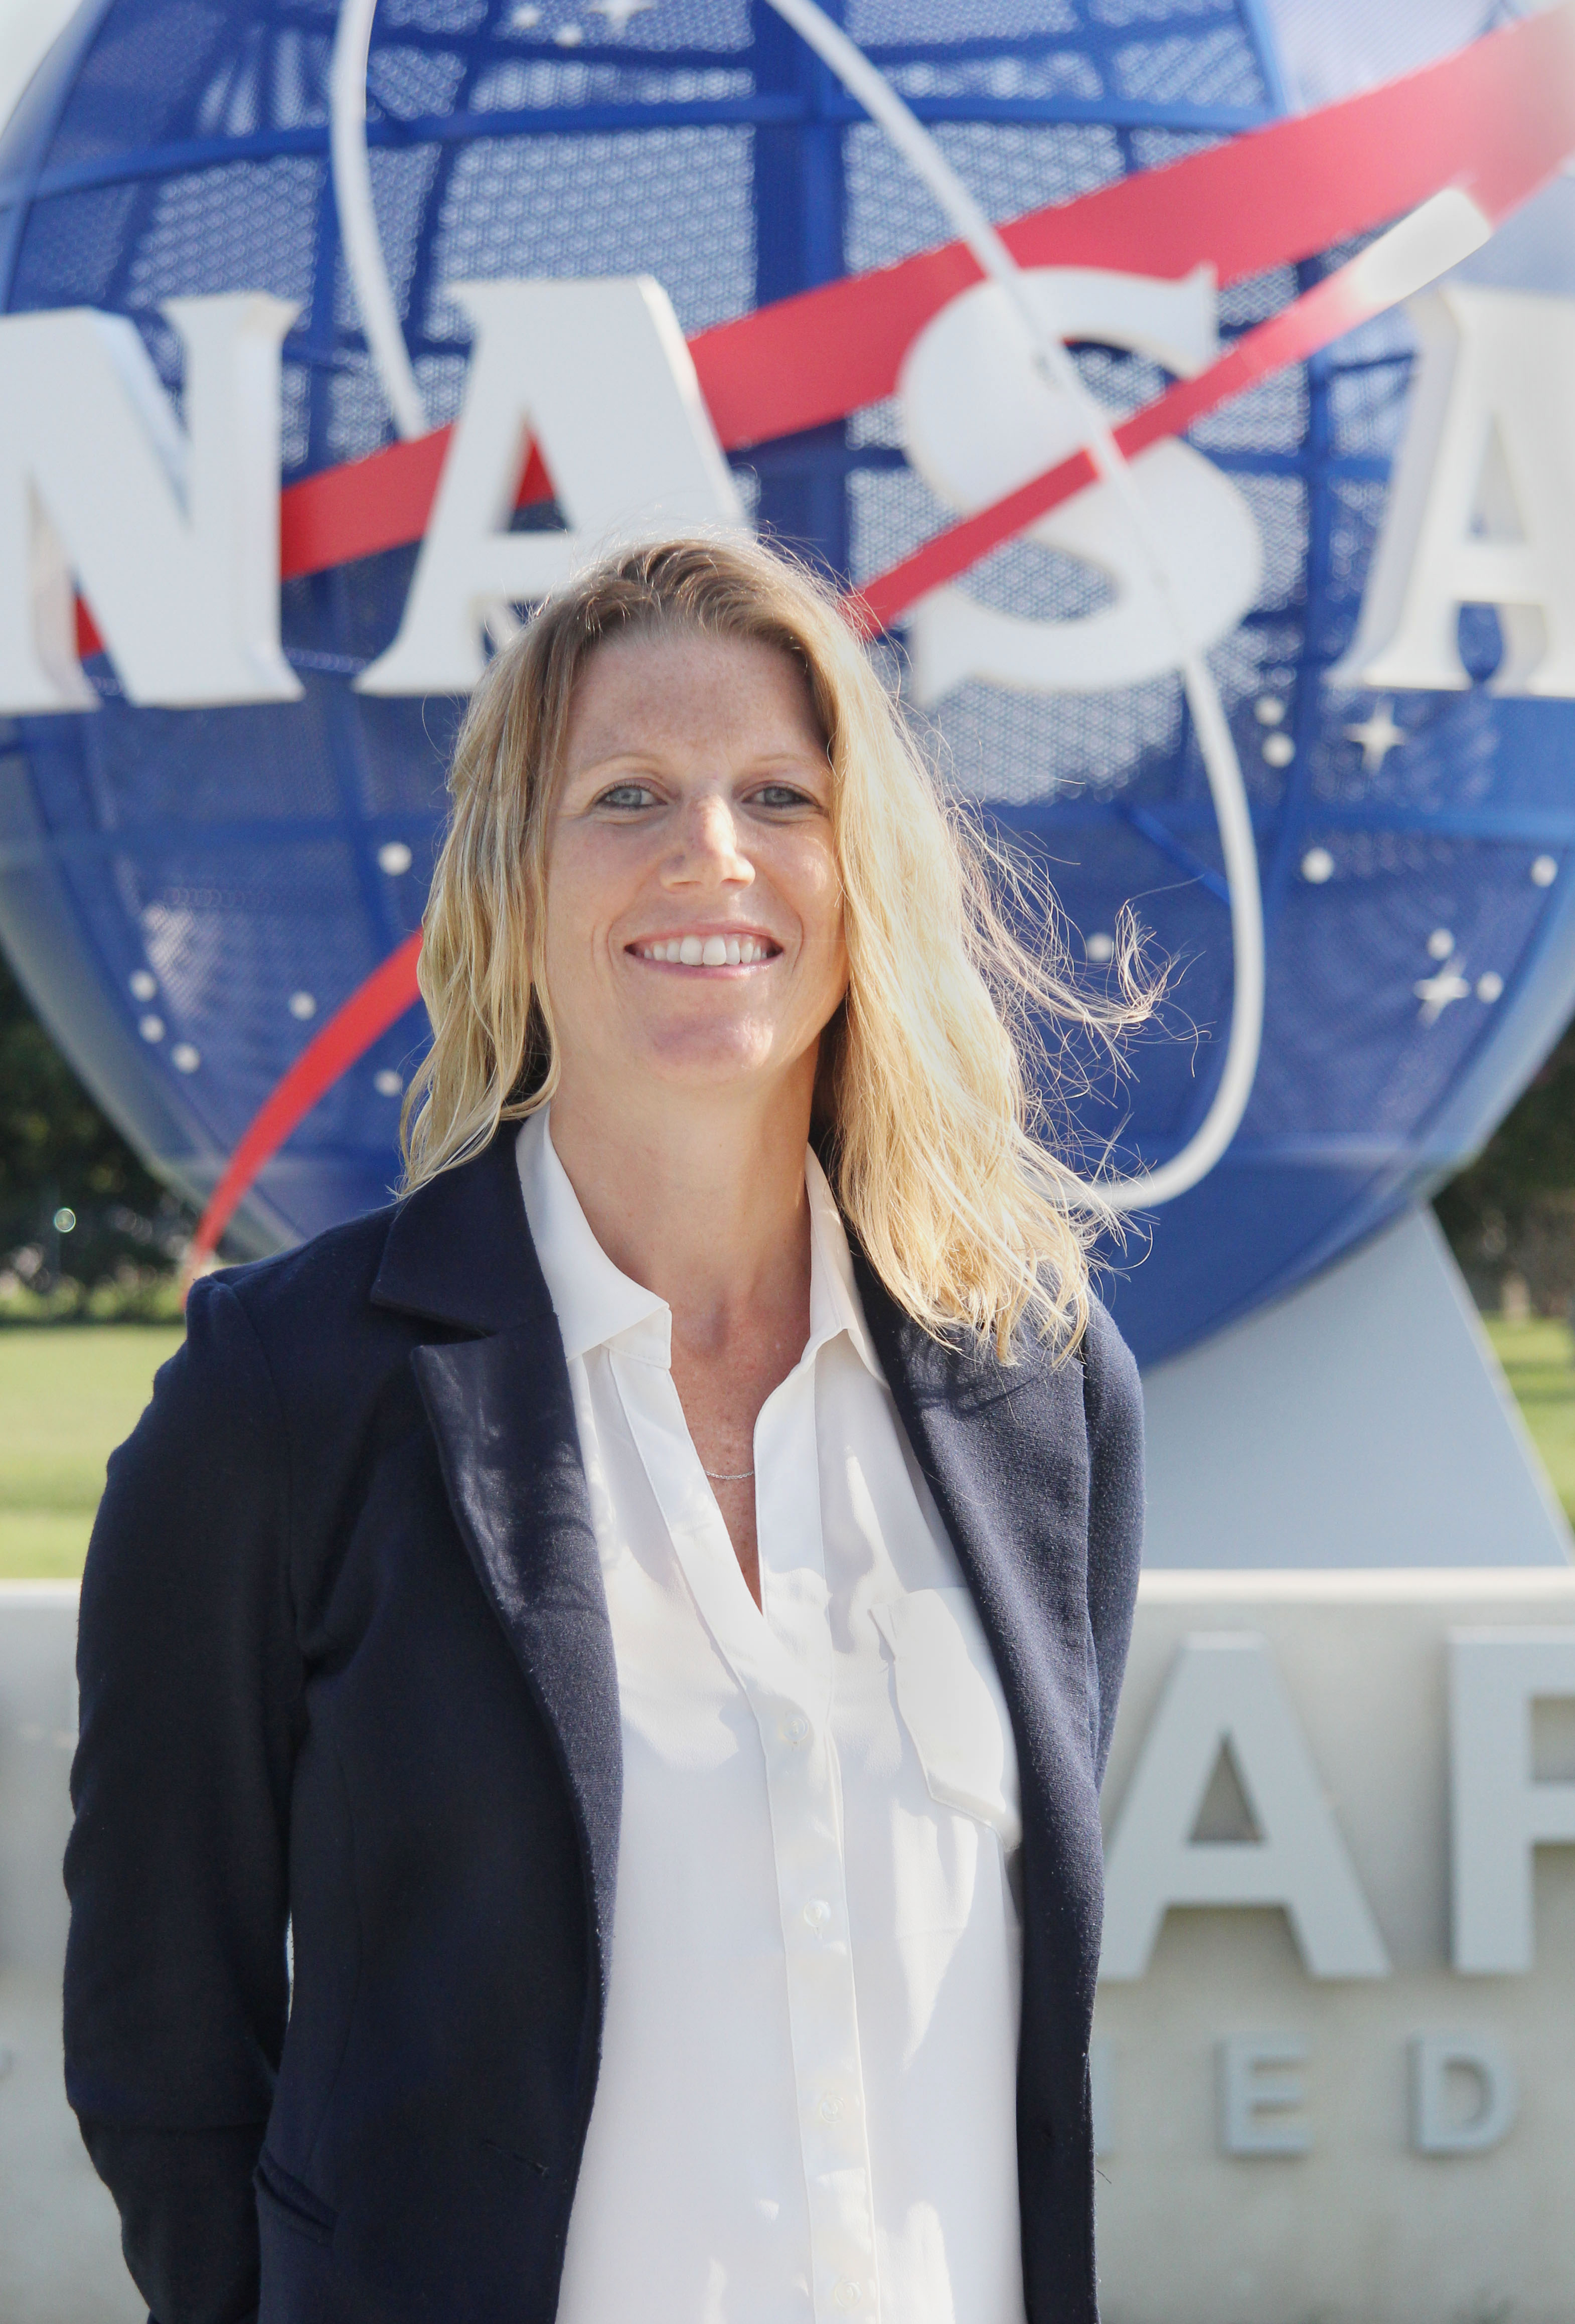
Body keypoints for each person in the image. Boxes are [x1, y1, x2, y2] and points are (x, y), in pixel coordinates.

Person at [64, 535, 1146, 2324]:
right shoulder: (285, 1398)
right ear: (513, 880)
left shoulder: (1031, 1380)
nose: (707, 850)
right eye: (626, 792)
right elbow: (162, 2043)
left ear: (860, 874)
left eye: (779, 793)